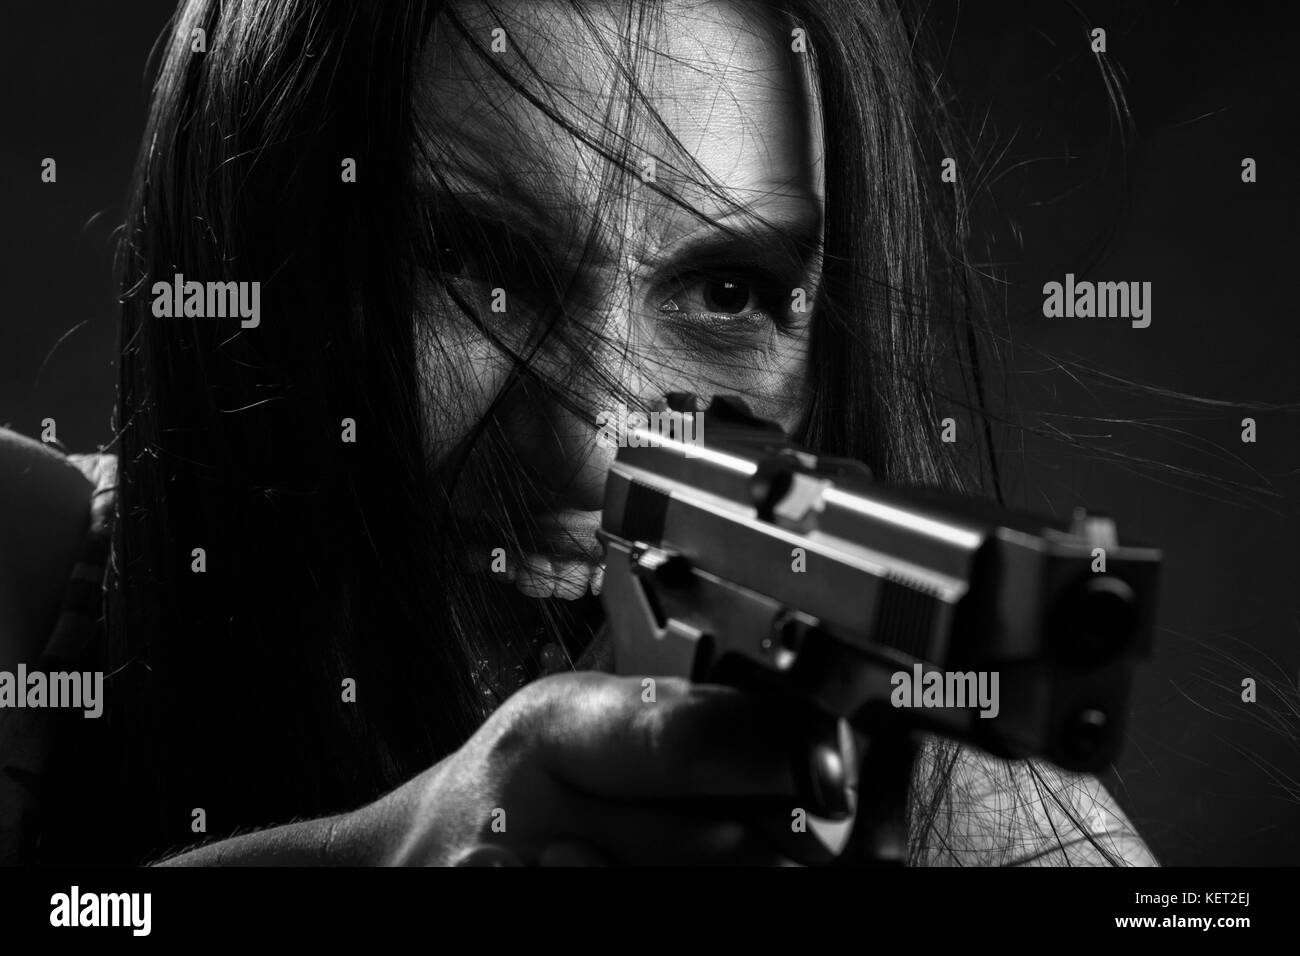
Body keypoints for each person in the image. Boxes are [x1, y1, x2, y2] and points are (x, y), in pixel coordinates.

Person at [0, 0, 1155, 866]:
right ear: (253, 246)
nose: (588, 449)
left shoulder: (982, 814)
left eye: (728, 291)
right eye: (472, 263)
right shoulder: (25, 566)